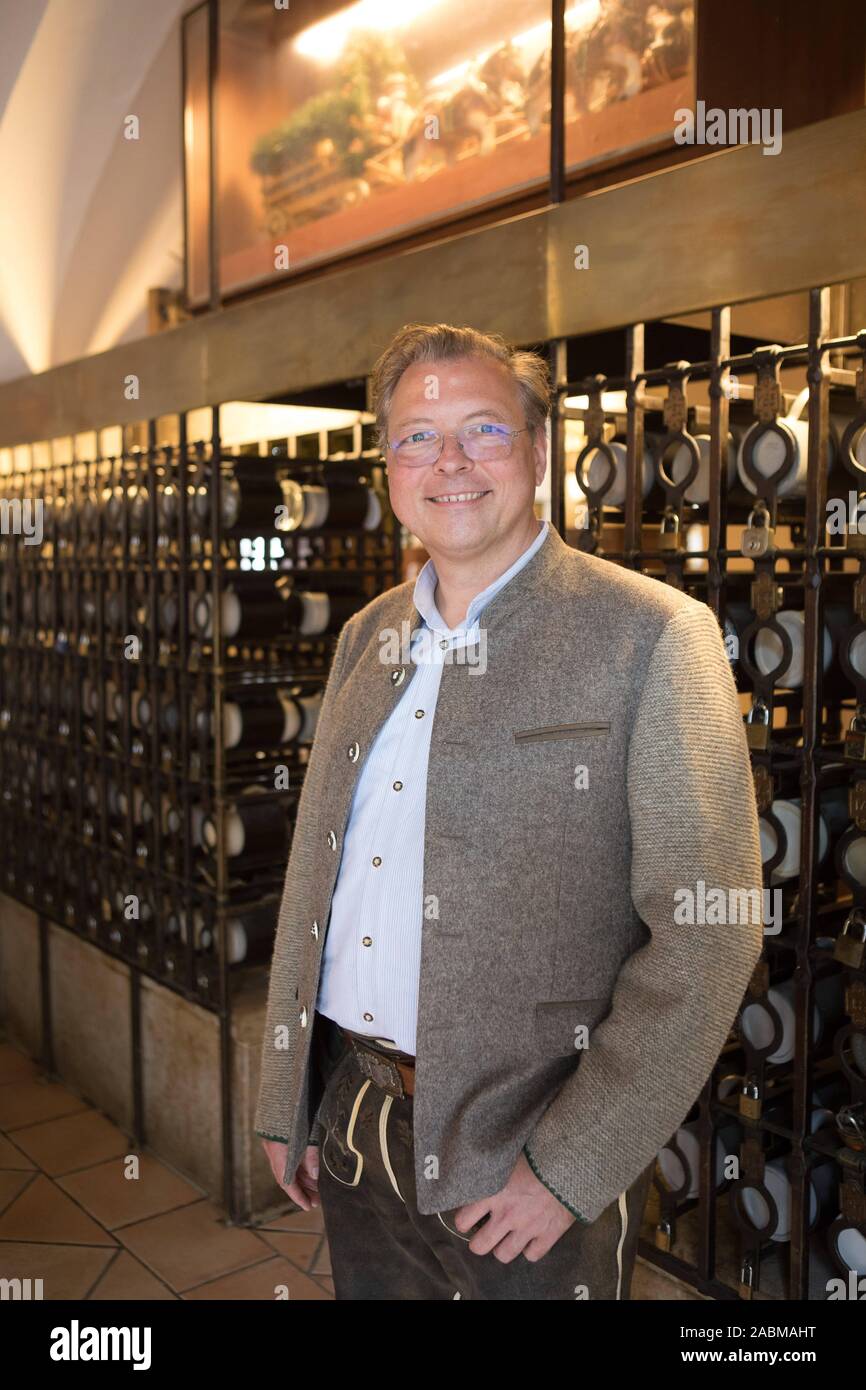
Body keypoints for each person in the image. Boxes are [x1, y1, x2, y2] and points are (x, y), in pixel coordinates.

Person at [256, 322, 763, 1300]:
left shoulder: (650, 635)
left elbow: (708, 934)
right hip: (356, 1122)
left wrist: (568, 1167)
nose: (447, 461)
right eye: (415, 435)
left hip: (522, 1159)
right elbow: (317, 875)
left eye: (481, 429)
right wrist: (288, 1092)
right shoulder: (367, 635)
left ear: (537, 450)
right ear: (388, 464)